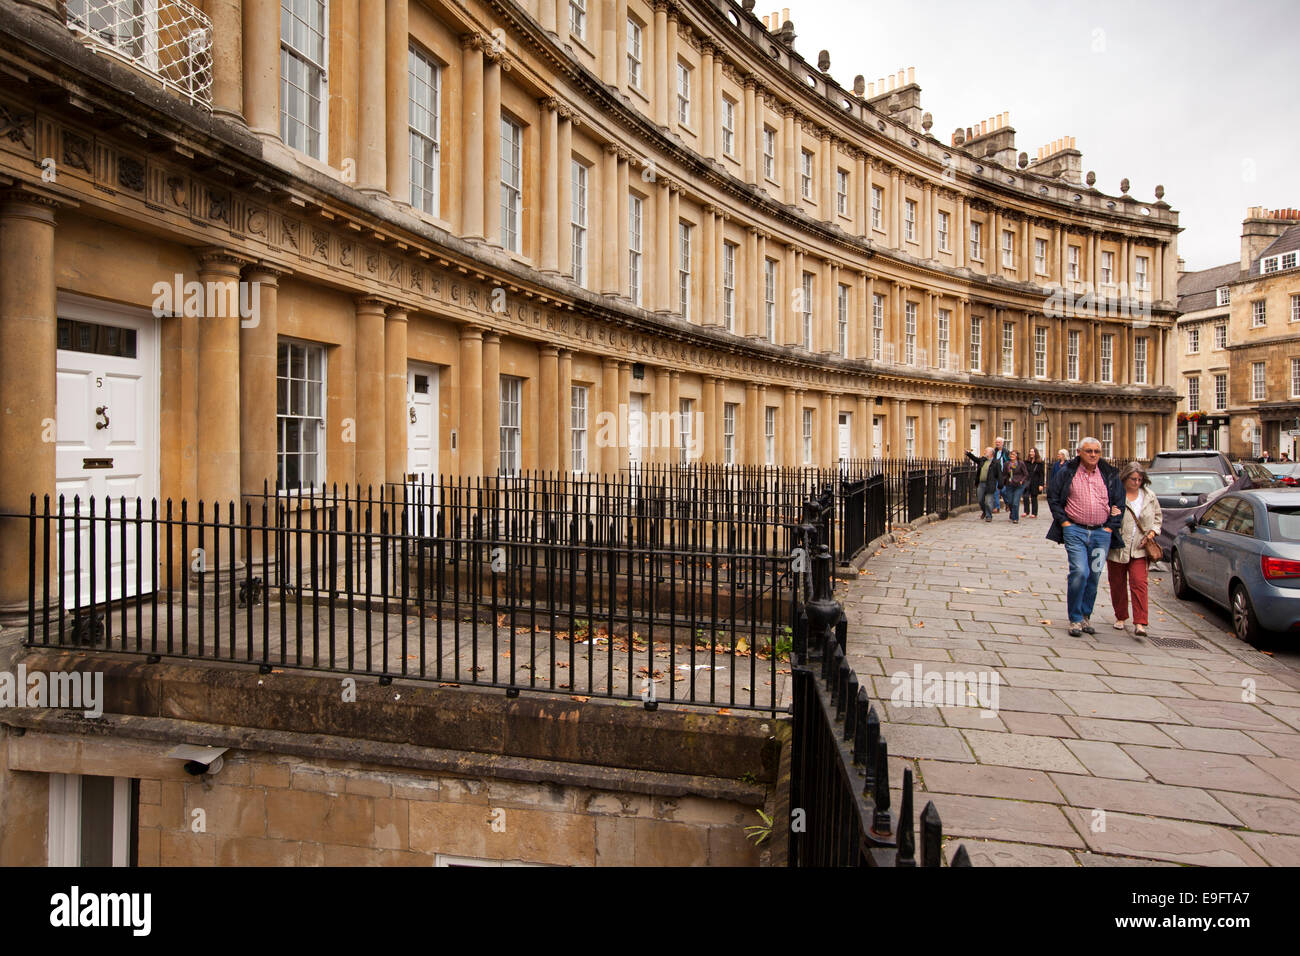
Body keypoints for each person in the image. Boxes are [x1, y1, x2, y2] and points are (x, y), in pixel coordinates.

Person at [1046, 437, 1123, 636]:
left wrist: (1109, 527)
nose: (1093, 455)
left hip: (1101, 533)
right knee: (1080, 572)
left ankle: (1085, 615)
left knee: (1094, 575)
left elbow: (1119, 504)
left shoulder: (1109, 475)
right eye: (1089, 451)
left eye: (1097, 451)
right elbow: (1053, 497)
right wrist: (1065, 523)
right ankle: (1075, 618)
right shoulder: (1067, 472)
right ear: (1079, 452)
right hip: (1075, 531)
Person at [1108, 462, 1162, 637]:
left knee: (1139, 583)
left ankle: (1140, 622)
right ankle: (1121, 617)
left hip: (1139, 547)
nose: (1137, 482)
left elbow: (1158, 518)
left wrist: (1152, 533)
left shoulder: (1149, 496)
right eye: (1133, 479)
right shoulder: (1116, 494)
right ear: (1125, 478)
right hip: (1118, 546)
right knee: (1117, 584)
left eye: (1140, 479)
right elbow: (1105, 511)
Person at [965, 447, 1002, 522]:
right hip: (981, 483)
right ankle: (985, 511)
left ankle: (989, 516)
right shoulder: (982, 460)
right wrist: (968, 454)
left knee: (988, 501)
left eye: (986, 451)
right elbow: (975, 459)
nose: (984, 452)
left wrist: (1000, 485)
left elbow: (999, 475)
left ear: (991, 453)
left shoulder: (996, 463)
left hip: (990, 484)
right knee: (980, 500)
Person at [1003, 449, 1028, 523]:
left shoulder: (1020, 463)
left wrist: (1022, 481)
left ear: (1016, 456)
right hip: (1009, 485)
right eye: (1011, 454)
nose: (1011, 456)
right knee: (1010, 502)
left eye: (1013, 454)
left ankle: (1015, 518)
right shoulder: (1007, 464)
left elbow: (1026, 474)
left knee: (1015, 502)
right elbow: (1004, 475)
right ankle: (1012, 512)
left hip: (1019, 485)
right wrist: (1003, 482)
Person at [1023, 448, 1045, 519]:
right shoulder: (1026, 462)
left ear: (1036, 453)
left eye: (1032, 452)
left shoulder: (1040, 463)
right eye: (1030, 452)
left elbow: (1042, 474)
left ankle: (1034, 513)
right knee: (1025, 496)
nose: (1031, 453)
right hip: (1027, 481)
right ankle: (1026, 511)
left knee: (1034, 497)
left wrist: (1041, 484)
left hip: (1035, 482)